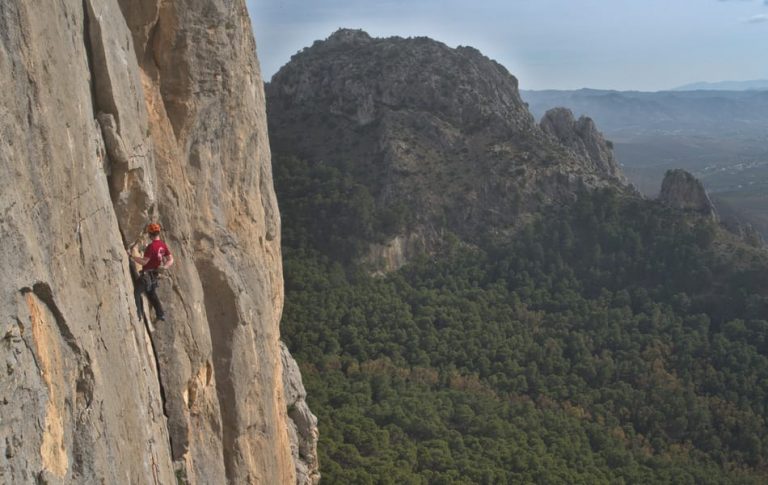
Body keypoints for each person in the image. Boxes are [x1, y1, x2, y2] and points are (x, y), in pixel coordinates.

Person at [129, 223, 174, 321]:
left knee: (137, 292)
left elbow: (144, 261)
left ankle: (138, 314)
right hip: (154, 276)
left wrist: (132, 257)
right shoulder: (163, 245)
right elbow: (171, 259)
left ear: (150, 234)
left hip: (147, 276)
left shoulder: (151, 247)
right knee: (151, 294)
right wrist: (165, 267)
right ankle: (160, 314)